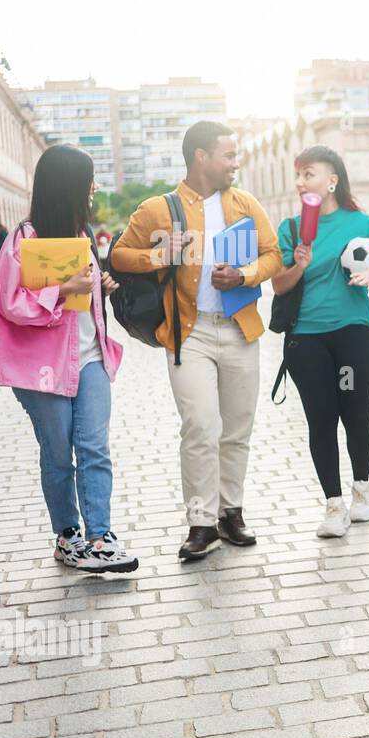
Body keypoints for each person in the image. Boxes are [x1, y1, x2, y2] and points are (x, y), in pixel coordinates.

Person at [110, 121, 283, 560]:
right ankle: (200, 523)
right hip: (190, 334)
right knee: (201, 426)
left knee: (237, 428)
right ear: (201, 157)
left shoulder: (245, 204)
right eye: (228, 154)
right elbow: (119, 255)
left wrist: (242, 275)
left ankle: (231, 512)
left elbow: (273, 255)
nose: (235, 162)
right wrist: (160, 255)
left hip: (240, 329)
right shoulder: (158, 209)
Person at [0, 143, 136, 572]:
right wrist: (63, 291)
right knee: (59, 453)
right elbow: (10, 303)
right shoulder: (24, 240)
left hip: (90, 357)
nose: (94, 187)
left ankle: (99, 537)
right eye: (88, 179)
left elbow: (82, 301)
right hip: (42, 371)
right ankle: (68, 535)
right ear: (67, 185)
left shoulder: (82, 236)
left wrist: (100, 287)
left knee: (94, 447)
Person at [272, 146, 369, 537]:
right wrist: (299, 263)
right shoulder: (290, 228)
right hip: (307, 341)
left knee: (355, 413)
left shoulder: (360, 222)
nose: (301, 183)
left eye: (309, 174)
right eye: (297, 176)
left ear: (331, 181)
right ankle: (333, 505)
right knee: (321, 419)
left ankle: (362, 492)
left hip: (354, 335)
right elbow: (278, 285)